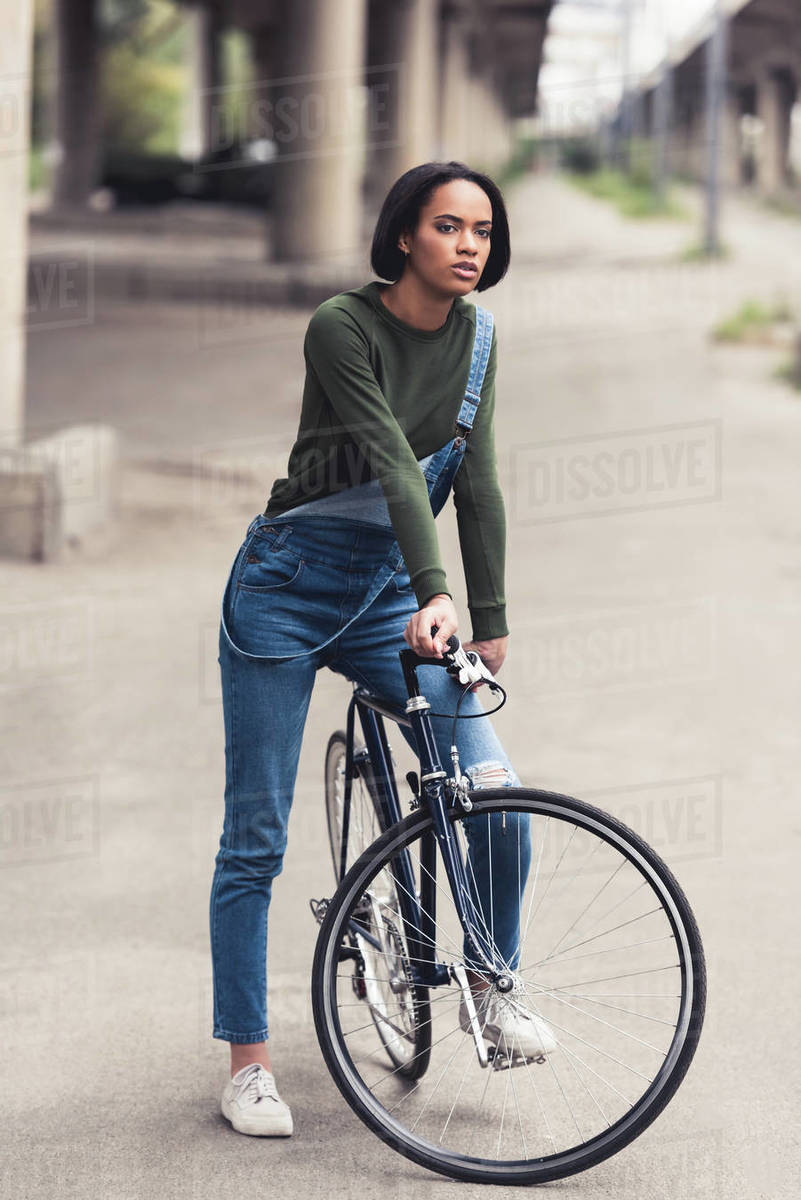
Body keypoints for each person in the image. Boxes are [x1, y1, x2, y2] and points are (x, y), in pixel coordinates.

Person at [210, 161, 554, 1140]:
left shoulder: (479, 341)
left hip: (392, 595)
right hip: (284, 591)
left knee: (494, 794)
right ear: (404, 233)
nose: (468, 244)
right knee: (255, 837)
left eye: (482, 230)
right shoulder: (341, 326)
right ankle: (247, 1065)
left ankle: (488, 984)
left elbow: (475, 482)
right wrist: (439, 589)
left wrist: (487, 617)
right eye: (447, 225)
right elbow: (396, 460)